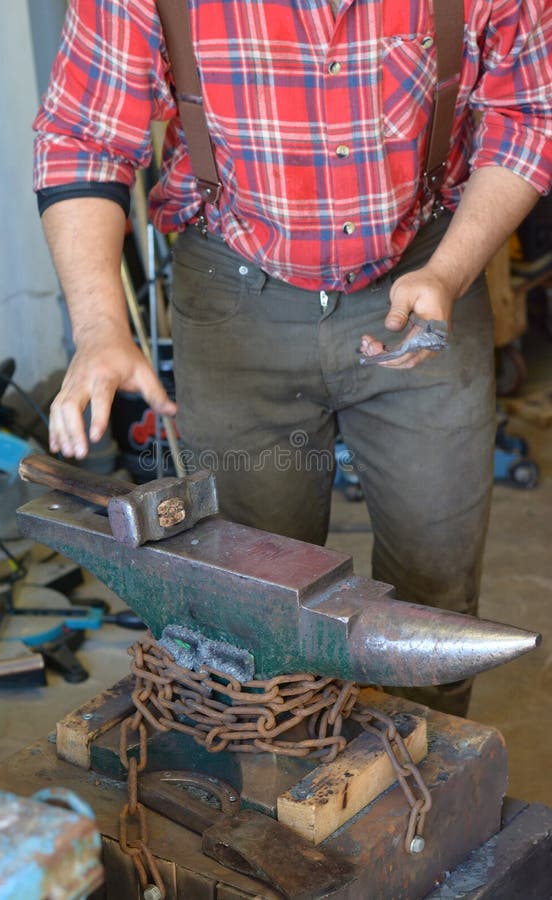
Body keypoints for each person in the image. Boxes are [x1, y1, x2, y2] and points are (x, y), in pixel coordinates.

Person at [33, 0, 551, 715]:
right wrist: (100, 331)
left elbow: (529, 118)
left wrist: (450, 272)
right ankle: (279, 788)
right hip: (236, 289)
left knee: (436, 596)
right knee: (254, 603)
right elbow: (84, 138)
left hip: (427, 273)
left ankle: (416, 793)